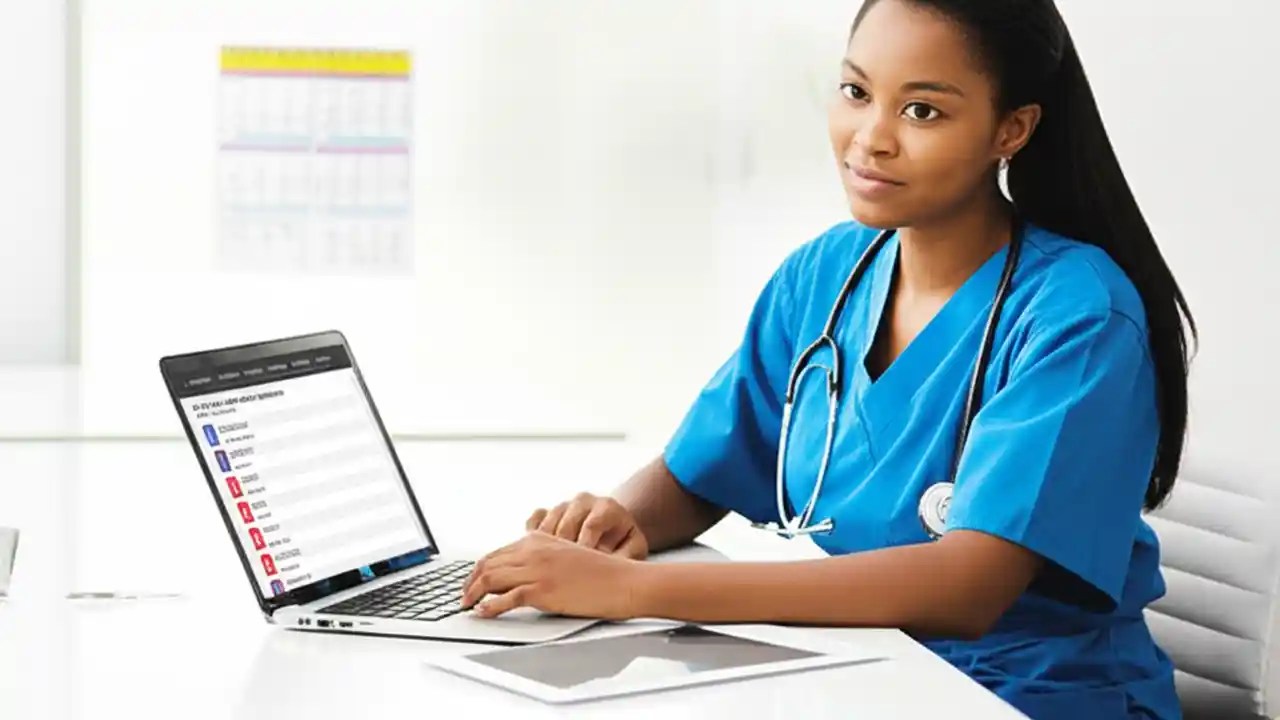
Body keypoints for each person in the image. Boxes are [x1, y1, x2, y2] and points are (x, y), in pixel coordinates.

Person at [461, 1, 1195, 717]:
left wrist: (625, 591)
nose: (870, 137)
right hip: (863, 670)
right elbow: (708, 467)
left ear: (1012, 129)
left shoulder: (1077, 314)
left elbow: (966, 589)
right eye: (856, 92)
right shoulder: (826, 275)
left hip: (1028, 694)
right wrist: (616, 525)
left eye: (923, 112)